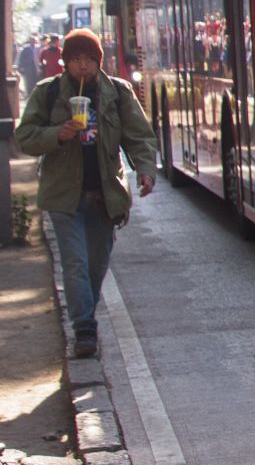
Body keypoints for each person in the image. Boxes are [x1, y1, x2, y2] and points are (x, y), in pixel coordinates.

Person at [16, 29, 158, 359]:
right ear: (65, 63)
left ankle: (85, 317)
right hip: (64, 196)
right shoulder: (48, 92)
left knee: (96, 265)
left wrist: (145, 170)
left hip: (104, 196)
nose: (83, 66)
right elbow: (25, 137)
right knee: (75, 262)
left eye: (89, 60)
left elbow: (139, 136)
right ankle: (84, 327)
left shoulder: (118, 92)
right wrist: (57, 133)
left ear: (98, 62)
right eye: (76, 60)